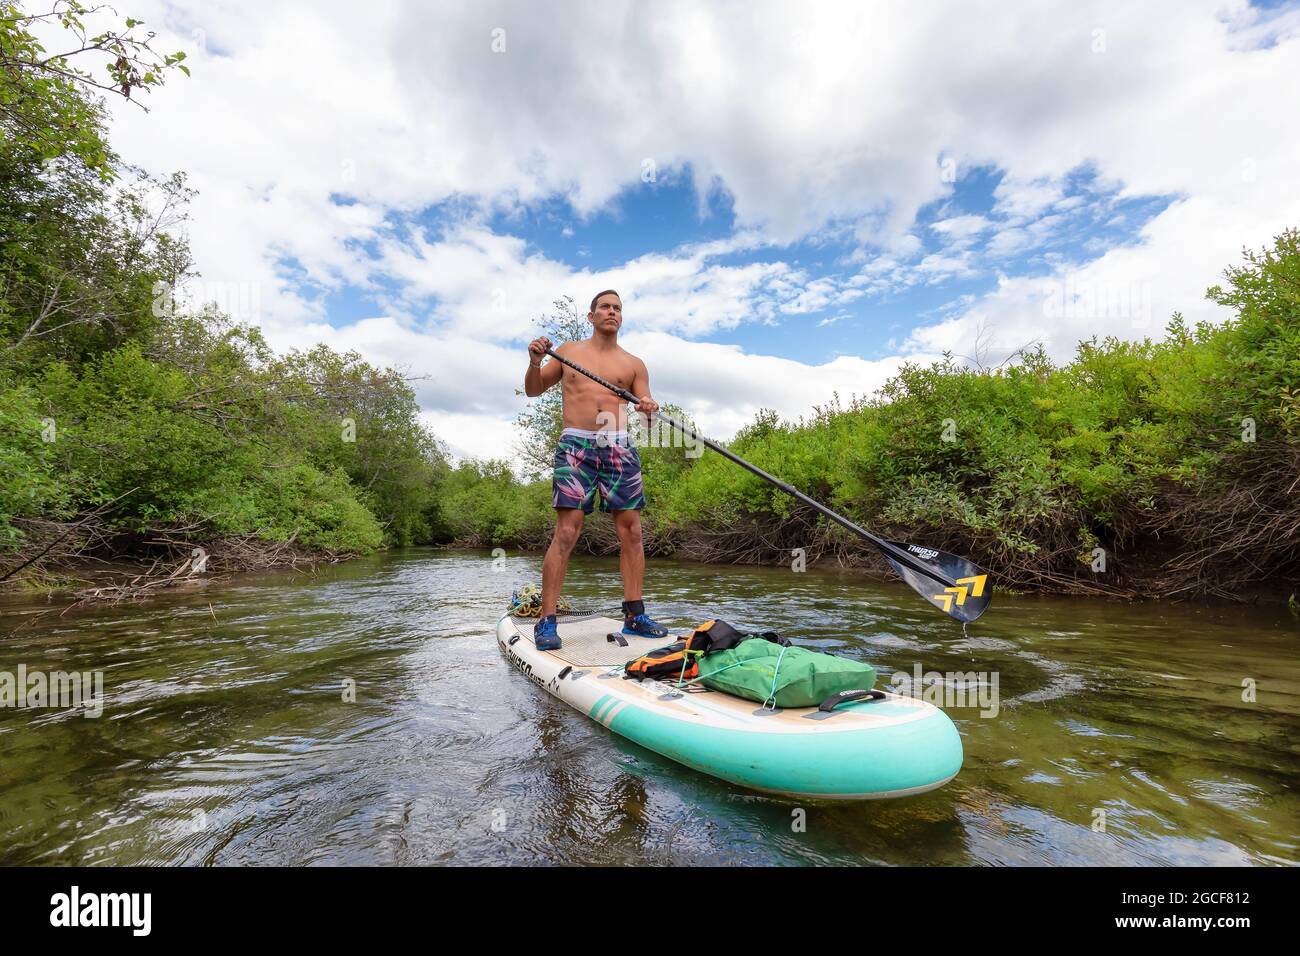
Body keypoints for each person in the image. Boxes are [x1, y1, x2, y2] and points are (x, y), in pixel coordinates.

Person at [523, 290, 669, 650]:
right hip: (576, 447)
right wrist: (534, 362)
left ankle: (635, 614)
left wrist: (649, 409)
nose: (612, 312)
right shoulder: (569, 352)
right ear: (591, 316)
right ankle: (546, 619)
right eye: (605, 307)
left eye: (617, 308)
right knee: (568, 531)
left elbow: (648, 420)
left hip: (619, 445)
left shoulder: (634, 364)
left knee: (632, 532)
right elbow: (533, 391)